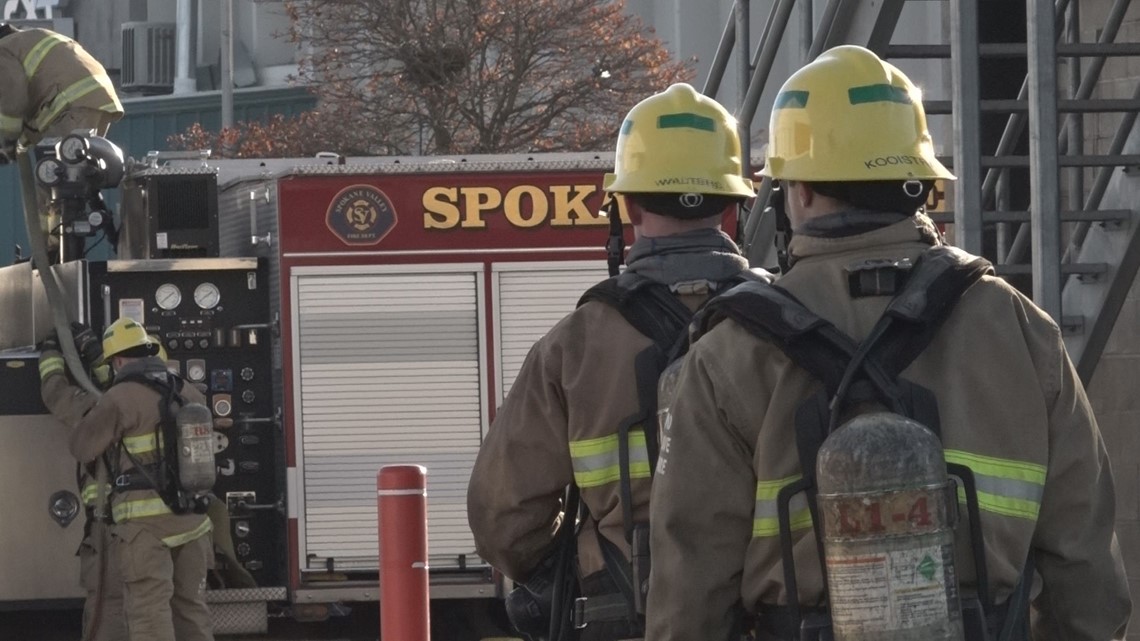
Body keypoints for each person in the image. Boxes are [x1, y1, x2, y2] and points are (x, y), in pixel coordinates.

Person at [645, 45, 1131, 641]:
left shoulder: (728, 352)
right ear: (920, 184)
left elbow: (690, 586)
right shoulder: (1021, 329)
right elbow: (1085, 568)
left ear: (798, 192)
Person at [467, 82, 769, 640]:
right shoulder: (793, 326)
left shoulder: (574, 345)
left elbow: (502, 517)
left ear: (626, 206)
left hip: (620, 613)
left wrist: (583, 568)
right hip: (769, 616)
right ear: (734, 207)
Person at [65, 317, 215, 641]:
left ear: (118, 361)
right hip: (193, 523)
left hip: (146, 531)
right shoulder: (187, 390)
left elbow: (82, 447)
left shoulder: (120, 398)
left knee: (148, 615)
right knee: (191, 611)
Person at [39, 322, 127, 641]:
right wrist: (94, 353)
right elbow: (112, 383)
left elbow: (55, 392)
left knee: (106, 607)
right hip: (154, 529)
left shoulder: (97, 408)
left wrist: (50, 353)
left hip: (110, 528)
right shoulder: (160, 398)